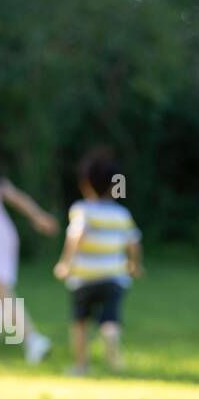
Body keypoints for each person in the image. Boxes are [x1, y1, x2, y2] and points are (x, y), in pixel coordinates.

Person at [53, 149, 143, 375]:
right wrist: (135, 265)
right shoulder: (121, 213)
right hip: (114, 276)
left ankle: (81, 365)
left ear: (85, 184)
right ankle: (112, 346)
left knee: (80, 321)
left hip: (84, 277)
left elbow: (77, 233)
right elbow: (134, 243)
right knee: (110, 317)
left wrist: (65, 262)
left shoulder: (82, 210)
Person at [0, 136, 58, 363]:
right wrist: (39, 217)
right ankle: (5, 319)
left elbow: (19, 199)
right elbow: (21, 199)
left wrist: (39, 217)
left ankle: (33, 339)